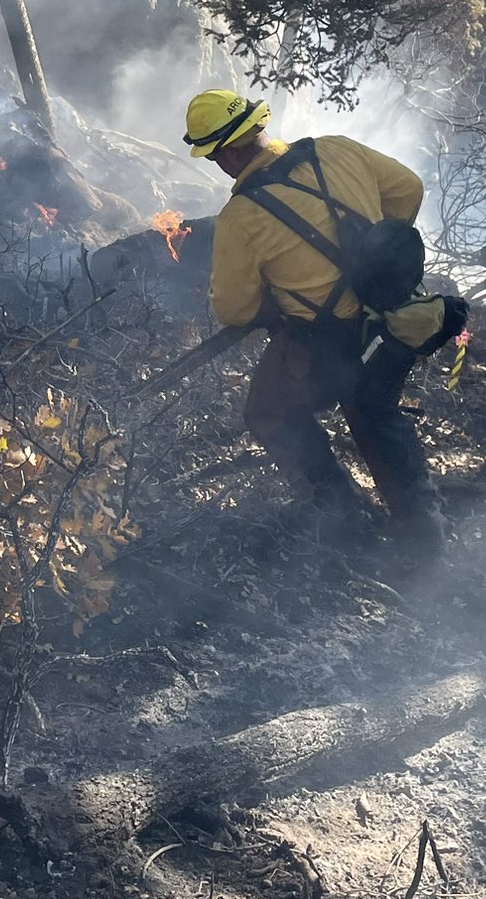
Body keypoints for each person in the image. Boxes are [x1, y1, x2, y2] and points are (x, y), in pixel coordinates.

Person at [188, 89, 463, 556]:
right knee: (375, 413)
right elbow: (409, 190)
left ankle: (339, 513)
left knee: (269, 412)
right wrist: (372, 260)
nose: (217, 164)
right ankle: (423, 541)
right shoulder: (336, 148)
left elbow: (234, 309)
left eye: (214, 155)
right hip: (394, 320)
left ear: (230, 150)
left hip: (327, 342)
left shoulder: (240, 217)